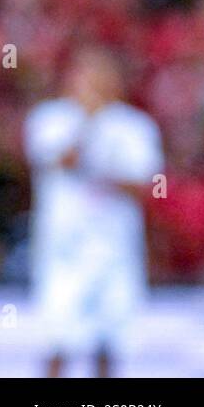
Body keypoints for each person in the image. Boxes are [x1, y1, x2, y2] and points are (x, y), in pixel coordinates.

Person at [24, 47, 163, 377]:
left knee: (110, 343)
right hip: (63, 249)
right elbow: (60, 161)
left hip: (115, 249)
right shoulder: (49, 119)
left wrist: (108, 174)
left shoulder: (135, 126)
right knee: (58, 340)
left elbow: (147, 185)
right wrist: (89, 122)